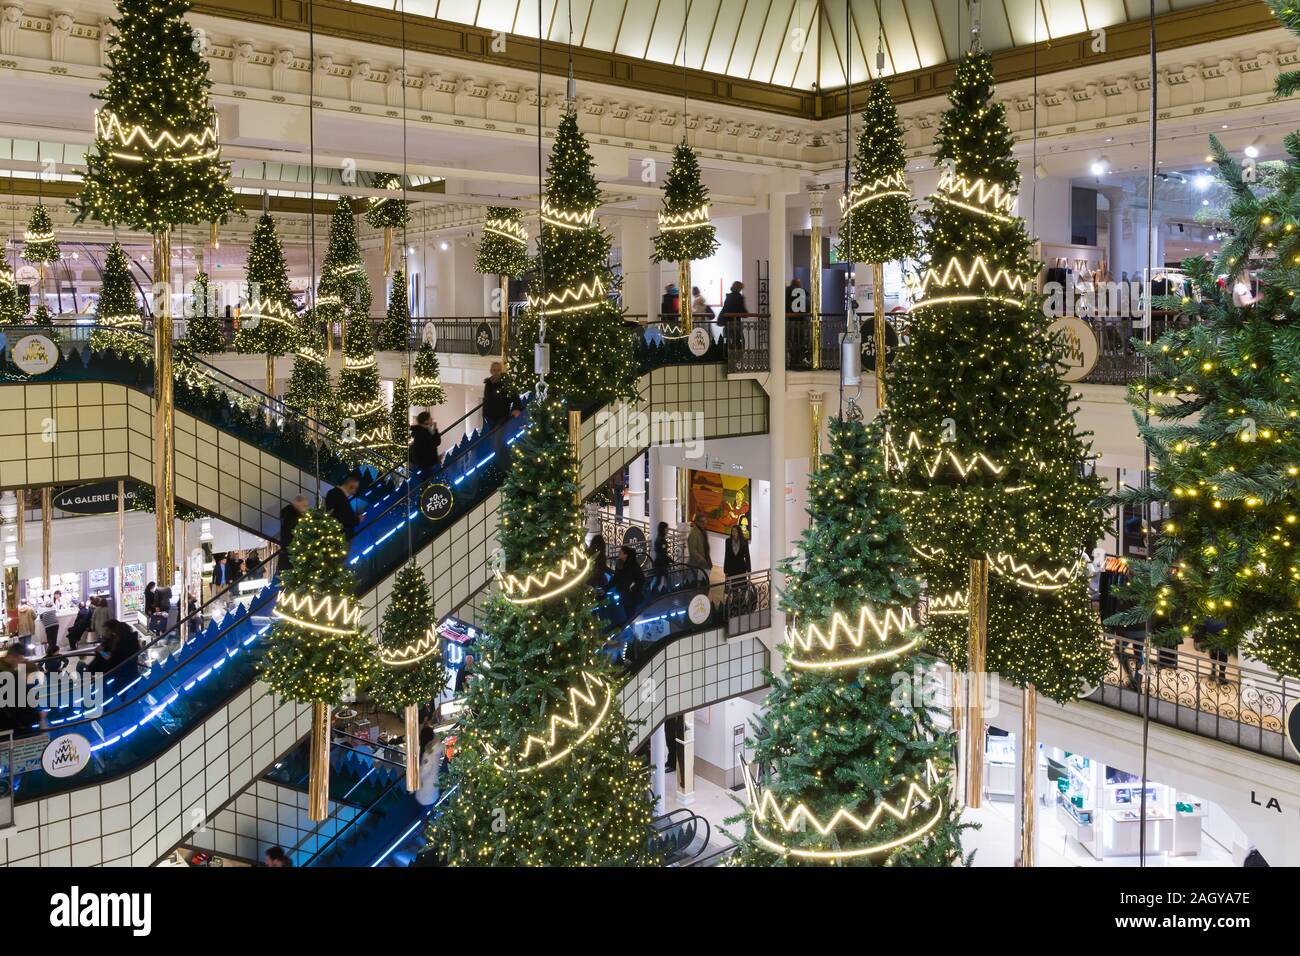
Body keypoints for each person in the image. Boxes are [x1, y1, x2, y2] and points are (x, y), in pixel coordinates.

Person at [278, 494, 309, 570]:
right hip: (292, 555)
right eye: (304, 506)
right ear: (297, 503)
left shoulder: (287, 513)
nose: (307, 508)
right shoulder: (292, 516)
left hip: (287, 554)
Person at [325, 474, 361, 539]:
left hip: (332, 531)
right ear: (350, 486)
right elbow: (345, 518)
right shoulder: (342, 498)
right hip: (340, 535)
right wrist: (357, 519)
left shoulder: (332, 492)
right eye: (355, 489)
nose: (354, 492)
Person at [611, 545, 644, 616]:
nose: (618, 553)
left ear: (626, 555)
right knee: (627, 612)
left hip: (632, 595)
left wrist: (632, 587)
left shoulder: (633, 565)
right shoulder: (619, 564)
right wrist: (605, 588)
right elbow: (615, 578)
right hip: (624, 594)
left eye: (620, 552)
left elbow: (641, 579)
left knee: (631, 613)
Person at [482, 362, 516, 431]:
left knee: (498, 439)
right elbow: (487, 398)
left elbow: (514, 396)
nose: (496, 372)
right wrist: (485, 413)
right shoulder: (488, 384)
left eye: (498, 370)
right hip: (490, 417)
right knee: (493, 438)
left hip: (501, 417)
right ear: (491, 371)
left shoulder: (506, 383)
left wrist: (516, 408)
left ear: (501, 371)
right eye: (494, 370)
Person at [414, 735, 443, 807]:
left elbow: (424, 772)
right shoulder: (437, 750)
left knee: (425, 809)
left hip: (426, 790)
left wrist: (416, 777)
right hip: (433, 786)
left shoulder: (428, 756)